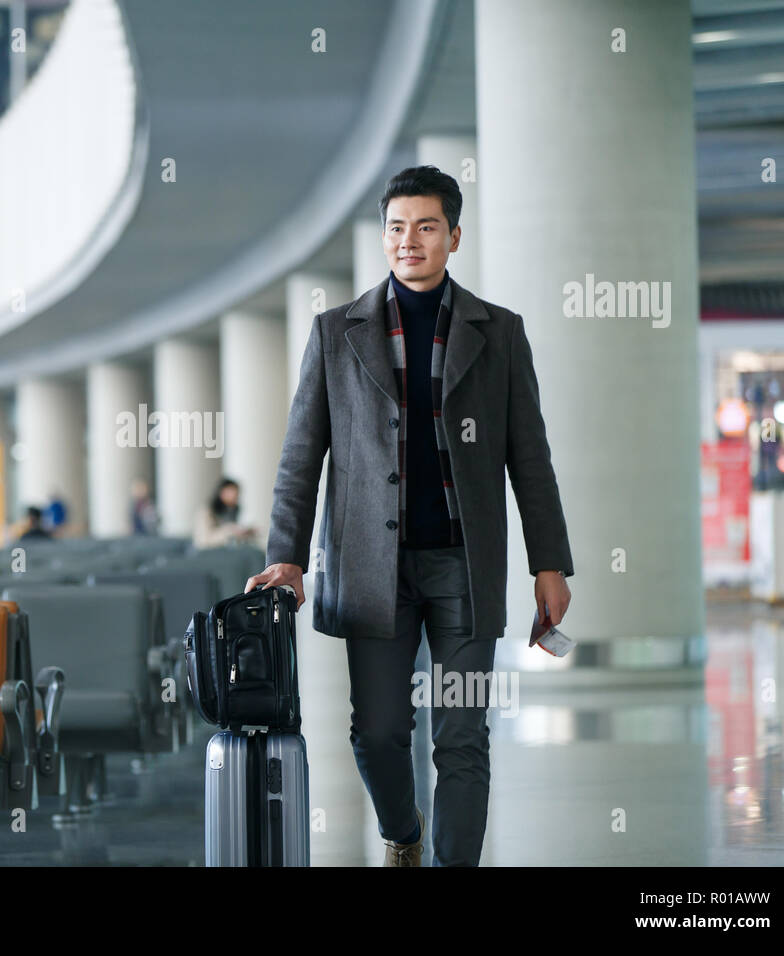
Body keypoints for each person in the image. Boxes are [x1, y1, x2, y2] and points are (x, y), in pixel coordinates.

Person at [245, 165, 573, 867]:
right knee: (381, 732)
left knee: (461, 736)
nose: (409, 241)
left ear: (453, 236)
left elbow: (531, 458)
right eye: (397, 228)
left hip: (463, 567)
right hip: (373, 569)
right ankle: (402, 834)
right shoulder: (337, 334)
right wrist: (289, 555)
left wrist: (550, 564)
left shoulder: (500, 333)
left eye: (426, 227)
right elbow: (301, 455)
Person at [193, 477, 257, 548]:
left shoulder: (233, 510)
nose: (236, 496)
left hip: (225, 550)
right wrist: (229, 530)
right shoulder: (206, 511)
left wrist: (244, 533)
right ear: (221, 492)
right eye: (232, 492)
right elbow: (203, 541)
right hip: (206, 552)